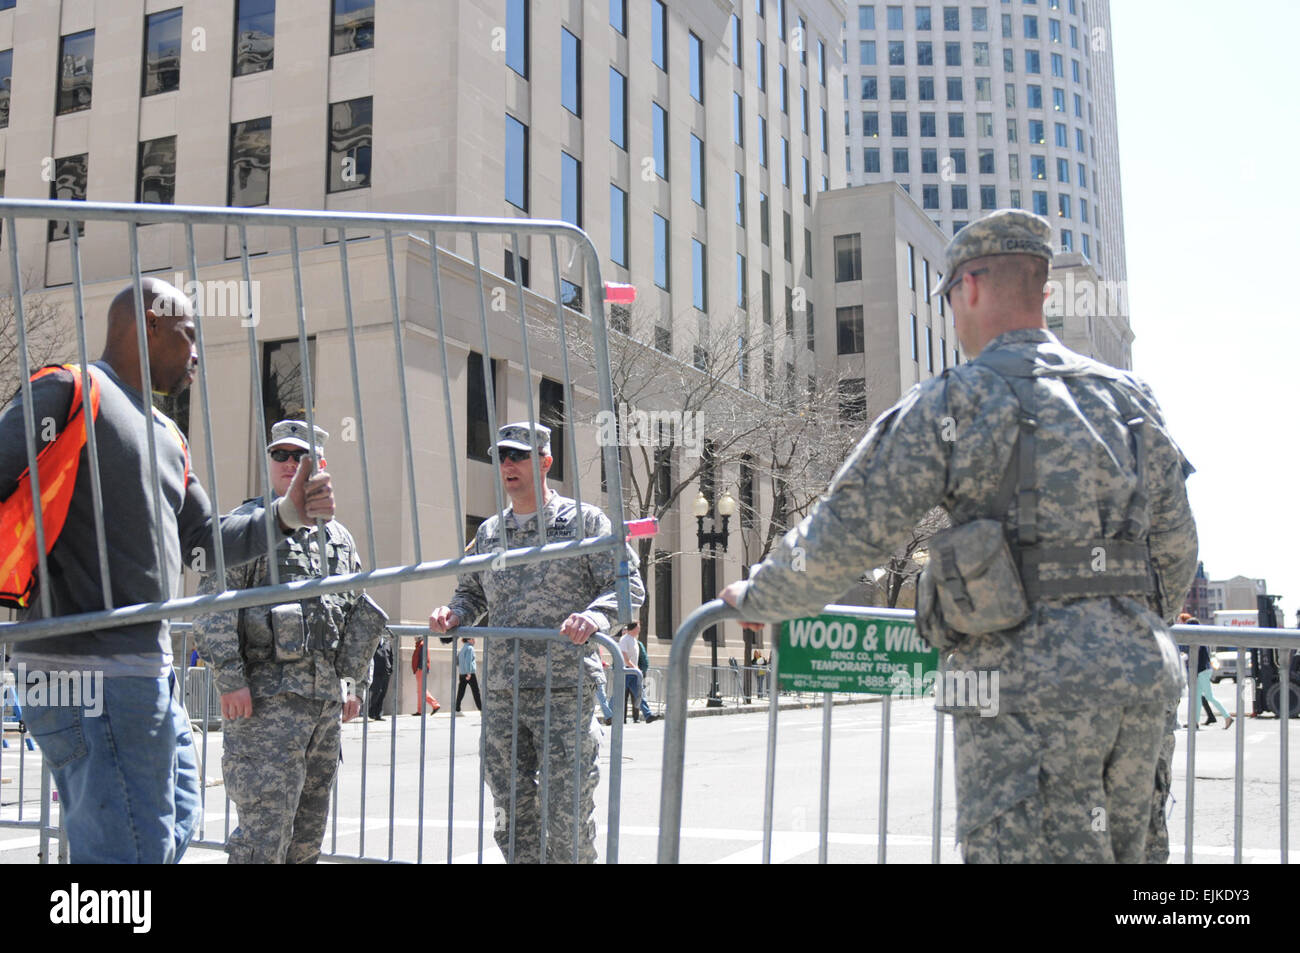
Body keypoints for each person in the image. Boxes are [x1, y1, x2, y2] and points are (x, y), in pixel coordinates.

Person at [720, 210, 1198, 864]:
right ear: (1044, 291)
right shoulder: (1132, 399)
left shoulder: (957, 400)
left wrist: (759, 595)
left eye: (948, 299)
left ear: (968, 288)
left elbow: (846, 533)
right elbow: (1176, 551)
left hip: (1026, 683)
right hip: (1143, 673)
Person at [0, 278, 334, 864]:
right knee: (127, 859)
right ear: (149, 324)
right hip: (84, 673)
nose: (197, 354)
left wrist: (286, 515)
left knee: (173, 820)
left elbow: (203, 546)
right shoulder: (69, 392)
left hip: (145, 674)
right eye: (189, 336)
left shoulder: (167, 435)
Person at [428, 421, 644, 863]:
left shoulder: (586, 522)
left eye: (518, 456)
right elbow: (470, 593)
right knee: (510, 807)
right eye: (502, 457)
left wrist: (593, 616)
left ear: (544, 462)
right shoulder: (490, 533)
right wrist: (453, 615)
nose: (508, 464)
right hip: (504, 691)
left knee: (566, 809)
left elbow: (627, 587)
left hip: (564, 689)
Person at [192, 420, 384, 864]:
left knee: (306, 838)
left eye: (301, 457)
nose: (290, 465)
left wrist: (353, 685)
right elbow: (212, 607)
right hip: (265, 704)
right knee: (263, 835)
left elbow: (354, 614)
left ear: (320, 466)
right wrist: (229, 679)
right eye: (281, 455)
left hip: (323, 708)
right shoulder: (248, 526)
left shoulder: (339, 538)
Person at [619, 622, 658, 723]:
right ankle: (609, 714)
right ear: (634, 628)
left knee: (640, 694)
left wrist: (636, 669)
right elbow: (624, 657)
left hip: (633, 671)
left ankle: (648, 715)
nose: (640, 629)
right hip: (626, 670)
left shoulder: (634, 640)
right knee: (618, 695)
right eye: (638, 627)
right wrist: (635, 668)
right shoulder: (624, 639)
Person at [456, 637, 482, 713]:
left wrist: (463, 670)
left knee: (461, 691)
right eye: (473, 639)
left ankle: (457, 709)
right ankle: (481, 709)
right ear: (469, 640)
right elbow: (468, 661)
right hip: (469, 673)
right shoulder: (470, 648)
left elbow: (457, 662)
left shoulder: (462, 649)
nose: (475, 640)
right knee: (476, 691)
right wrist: (468, 673)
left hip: (462, 673)